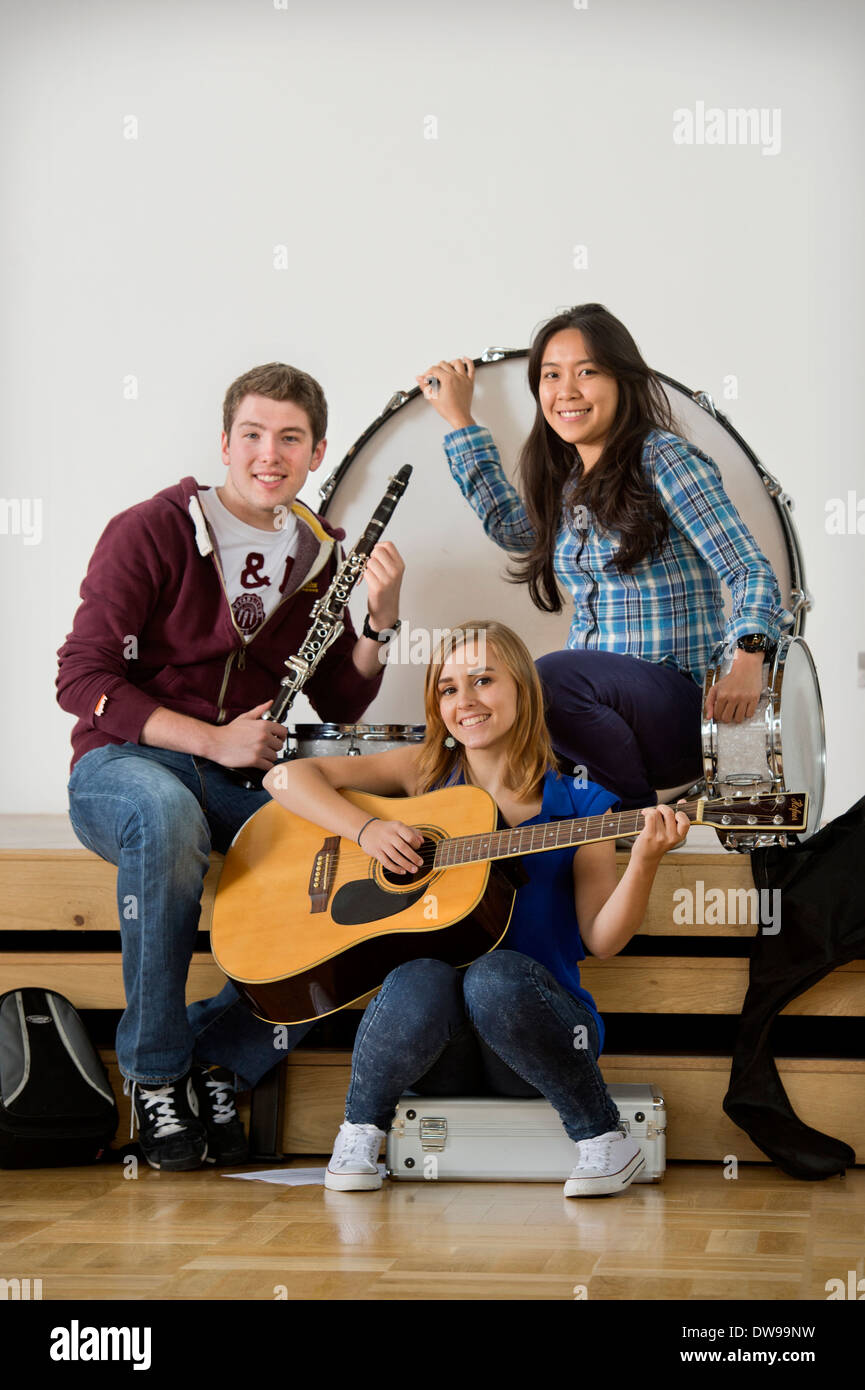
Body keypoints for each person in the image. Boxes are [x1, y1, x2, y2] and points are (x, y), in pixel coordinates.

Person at [56, 362, 405, 1172]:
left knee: (353, 869)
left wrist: (378, 624)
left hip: (236, 782)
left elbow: (342, 700)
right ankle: (154, 1074)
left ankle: (222, 1054)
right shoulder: (150, 530)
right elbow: (81, 678)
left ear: (317, 452)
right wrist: (210, 740)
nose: (267, 453)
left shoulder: (321, 552)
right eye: (251, 434)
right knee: (166, 817)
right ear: (224, 442)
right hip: (123, 764)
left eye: (289, 438)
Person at [263, 620, 689, 1197]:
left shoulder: (584, 805)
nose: (465, 701)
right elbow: (285, 775)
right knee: (419, 977)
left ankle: (604, 1139)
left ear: (524, 691)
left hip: (542, 1040)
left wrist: (645, 861)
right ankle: (360, 1134)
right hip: (440, 1050)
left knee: (494, 977)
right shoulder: (421, 776)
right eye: (448, 688)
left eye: (484, 680)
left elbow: (602, 938)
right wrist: (365, 831)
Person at [416, 304, 793, 808]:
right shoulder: (569, 482)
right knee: (496, 702)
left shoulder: (664, 459)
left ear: (623, 381)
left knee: (549, 677)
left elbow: (749, 569)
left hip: (681, 706)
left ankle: (632, 821)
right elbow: (514, 531)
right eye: (551, 376)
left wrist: (748, 659)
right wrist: (461, 421)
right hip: (601, 723)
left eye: (586, 372)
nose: (566, 391)